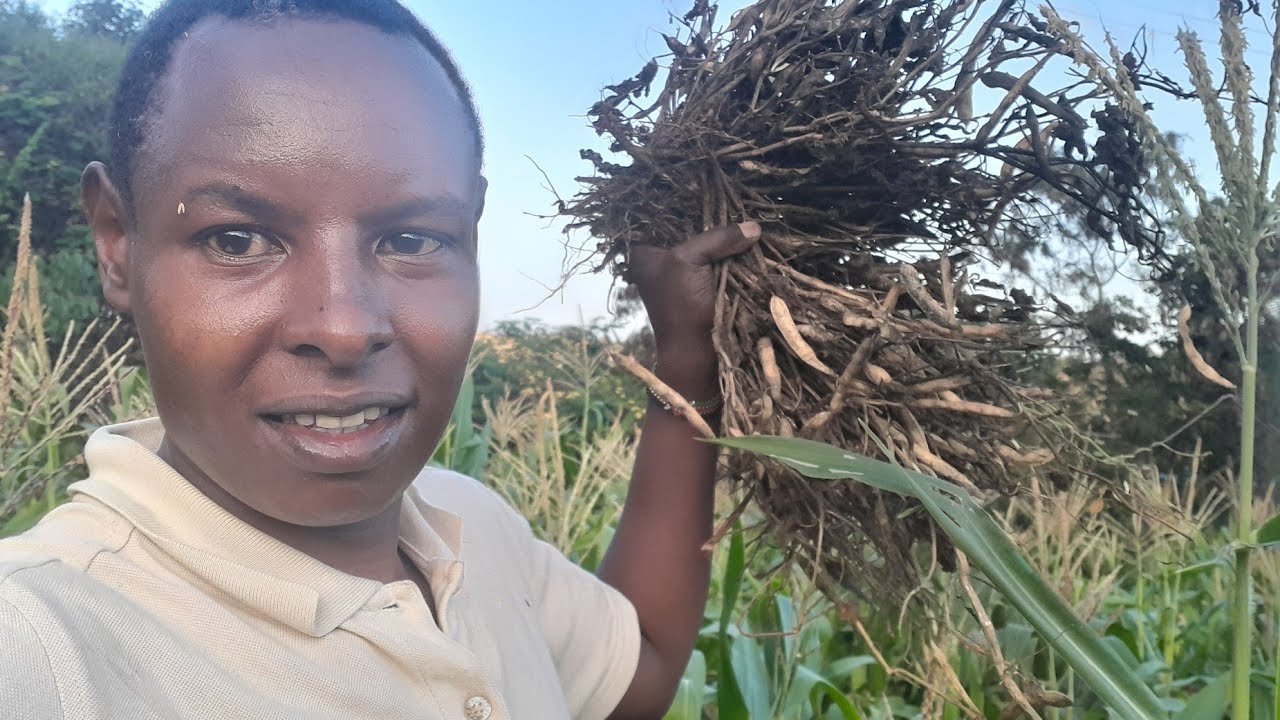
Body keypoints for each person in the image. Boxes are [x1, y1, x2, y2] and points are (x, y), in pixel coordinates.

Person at [0, 1, 761, 718]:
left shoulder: (469, 523)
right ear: (116, 243)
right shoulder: (42, 641)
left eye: (413, 239)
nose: (344, 329)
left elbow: (643, 667)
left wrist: (685, 356)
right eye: (238, 240)